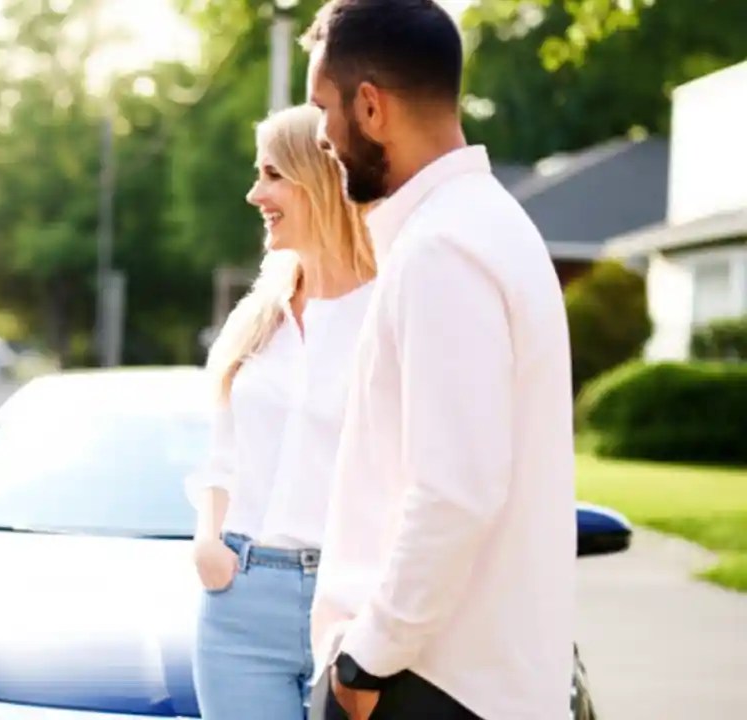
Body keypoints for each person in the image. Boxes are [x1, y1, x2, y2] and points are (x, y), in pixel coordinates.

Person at [299, 2, 577, 719]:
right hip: (453, 680)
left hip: (430, 685)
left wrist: (366, 659)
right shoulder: (482, 227)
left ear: (369, 106)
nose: (321, 135)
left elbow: (456, 490)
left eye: (323, 108)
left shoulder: (443, 250)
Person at [186, 103, 377, 720]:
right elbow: (223, 453)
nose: (254, 193)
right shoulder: (258, 316)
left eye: (272, 174)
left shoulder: (388, 310)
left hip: (353, 605)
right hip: (241, 599)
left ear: (318, 179)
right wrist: (208, 542)